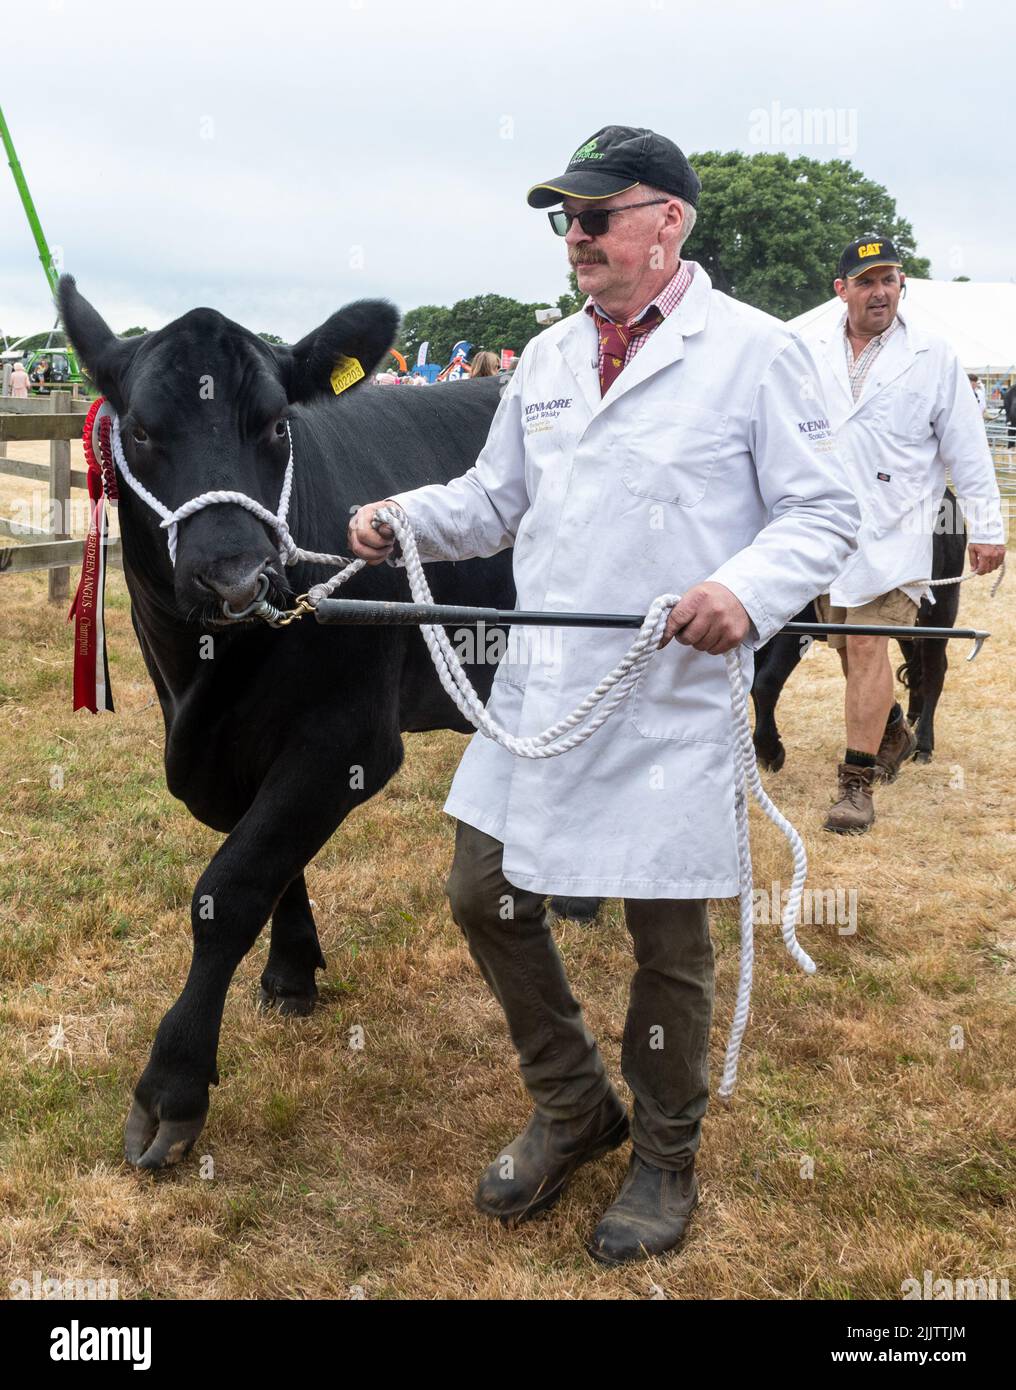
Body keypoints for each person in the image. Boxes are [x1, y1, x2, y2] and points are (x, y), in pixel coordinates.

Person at [348, 124, 860, 1265]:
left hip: (672, 698)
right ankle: (574, 1102)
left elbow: (824, 513)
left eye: (595, 215)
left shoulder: (757, 353)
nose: (574, 238)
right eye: (564, 220)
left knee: (663, 935)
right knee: (485, 893)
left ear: (666, 220)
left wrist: (741, 586)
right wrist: (403, 520)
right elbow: (493, 499)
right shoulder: (544, 357)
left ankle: (664, 1152)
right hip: (545, 692)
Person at [802, 237, 1006, 834]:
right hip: (826, 529)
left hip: (897, 530)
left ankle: (855, 784)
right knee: (844, 648)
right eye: (866, 281)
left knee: (867, 647)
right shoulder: (808, 350)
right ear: (841, 290)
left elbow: (967, 448)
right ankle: (891, 728)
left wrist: (987, 527)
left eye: (889, 279)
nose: (880, 291)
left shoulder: (932, 355)